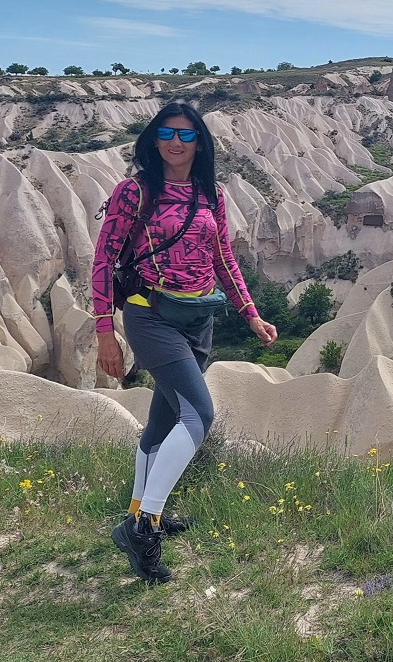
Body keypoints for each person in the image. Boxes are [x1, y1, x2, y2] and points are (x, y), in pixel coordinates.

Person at [91, 100, 278, 583]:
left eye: (187, 134)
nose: (176, 142)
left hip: (199, 316)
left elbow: (224, 259)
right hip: (149, 313)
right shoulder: (133, 192)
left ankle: (135, 514)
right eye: (167, 134)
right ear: (154, 140)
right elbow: (102, 260)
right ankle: (146, 528)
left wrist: (251, 314)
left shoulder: (210, 194)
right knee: (201, 415)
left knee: (165, 419)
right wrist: (104, 332)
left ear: (201, 141)